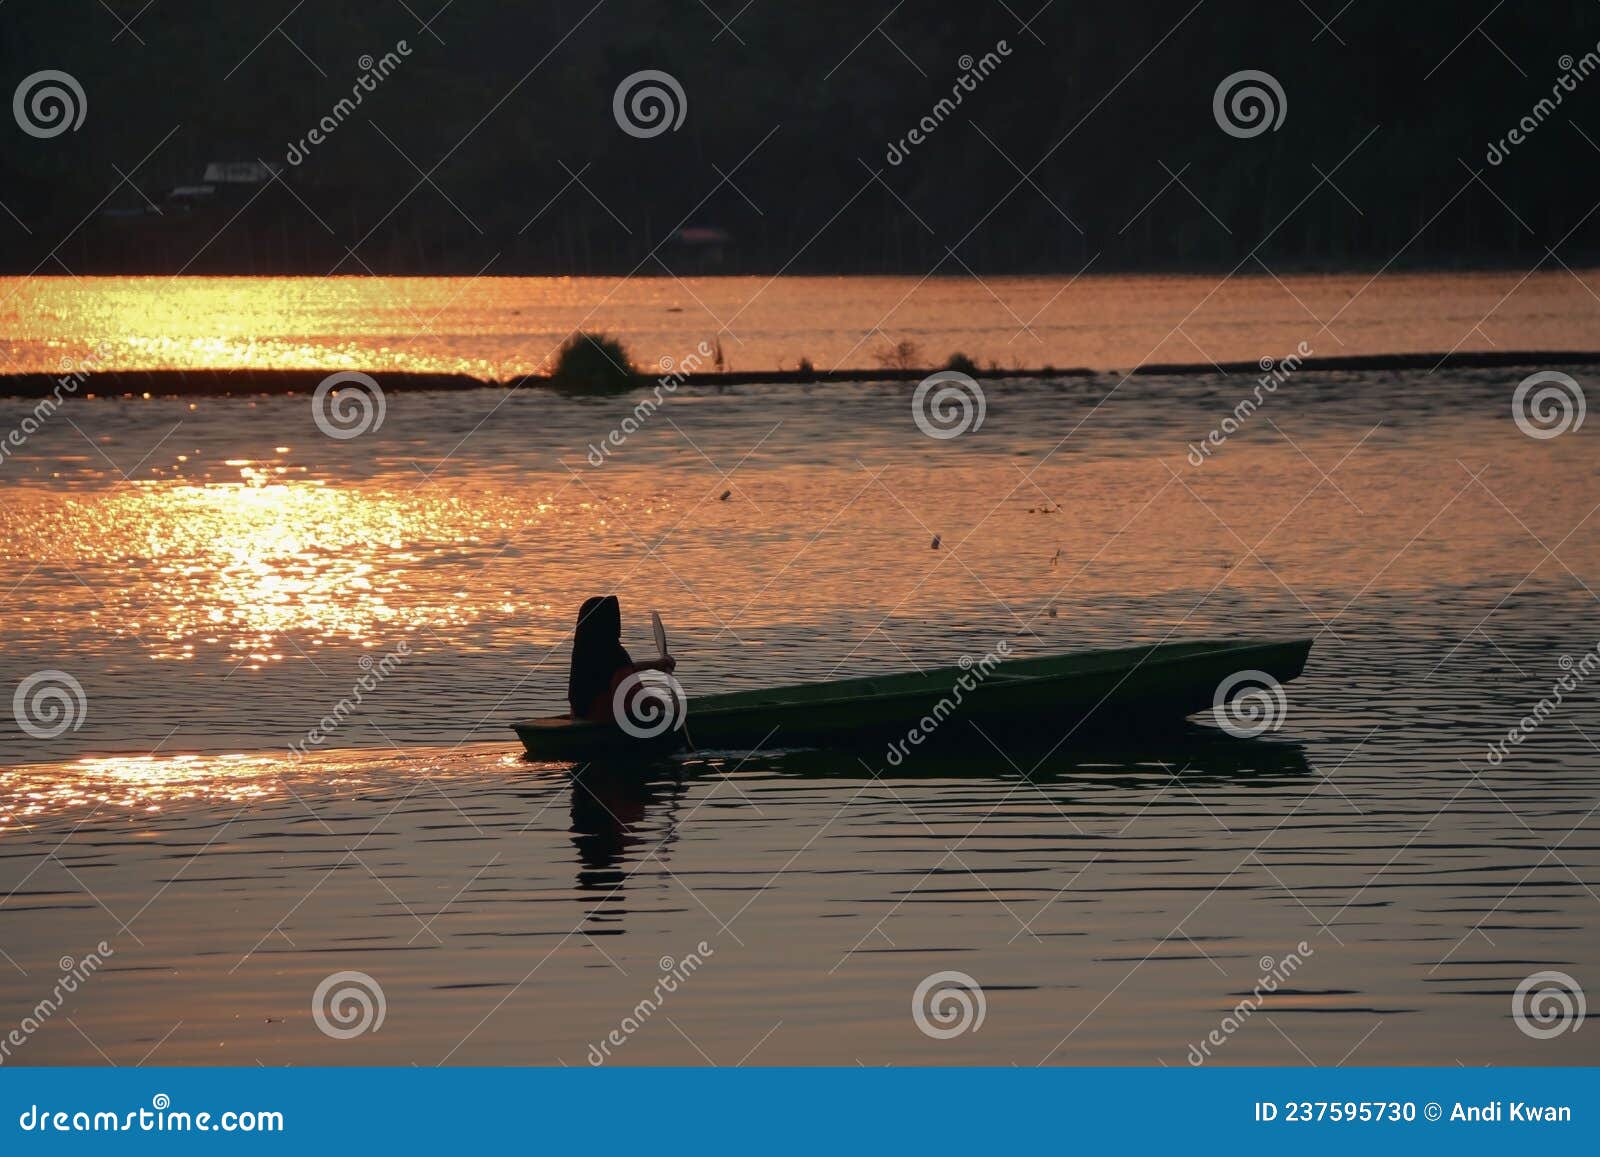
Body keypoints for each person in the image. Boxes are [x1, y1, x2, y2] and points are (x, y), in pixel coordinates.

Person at [566, 596, 676, 723]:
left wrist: (655, 665)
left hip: (579, 719)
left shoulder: (583, 650)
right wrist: (668, 706)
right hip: (604, 723)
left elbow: (616, 671)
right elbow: (635, 699)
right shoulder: (614, 653)